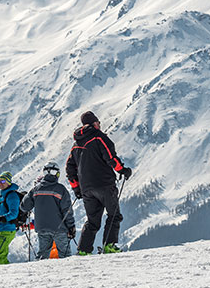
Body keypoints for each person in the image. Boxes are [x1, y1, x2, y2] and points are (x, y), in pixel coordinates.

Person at [65, 111, 132, 255]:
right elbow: (110, 157)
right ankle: (109, 245)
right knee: (114, 215)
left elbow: (69, 169)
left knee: (93, 221)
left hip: (86, 189)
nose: (100, 125)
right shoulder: (99, 137)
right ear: (94, 123)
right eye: (98, 122)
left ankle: (83, 250)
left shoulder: (76, 145)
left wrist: (77, 188)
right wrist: (123, 170)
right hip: (104, 184)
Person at [20, 162, 75, 259]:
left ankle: (39, 272)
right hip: (59, 227)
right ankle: (67, 273)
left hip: (42, 227)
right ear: (57, 174)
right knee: (65, 255)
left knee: (43, 254)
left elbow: (24, 207)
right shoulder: (60, 189)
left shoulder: (36, 189)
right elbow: (67, 211)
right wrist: (71, 227)